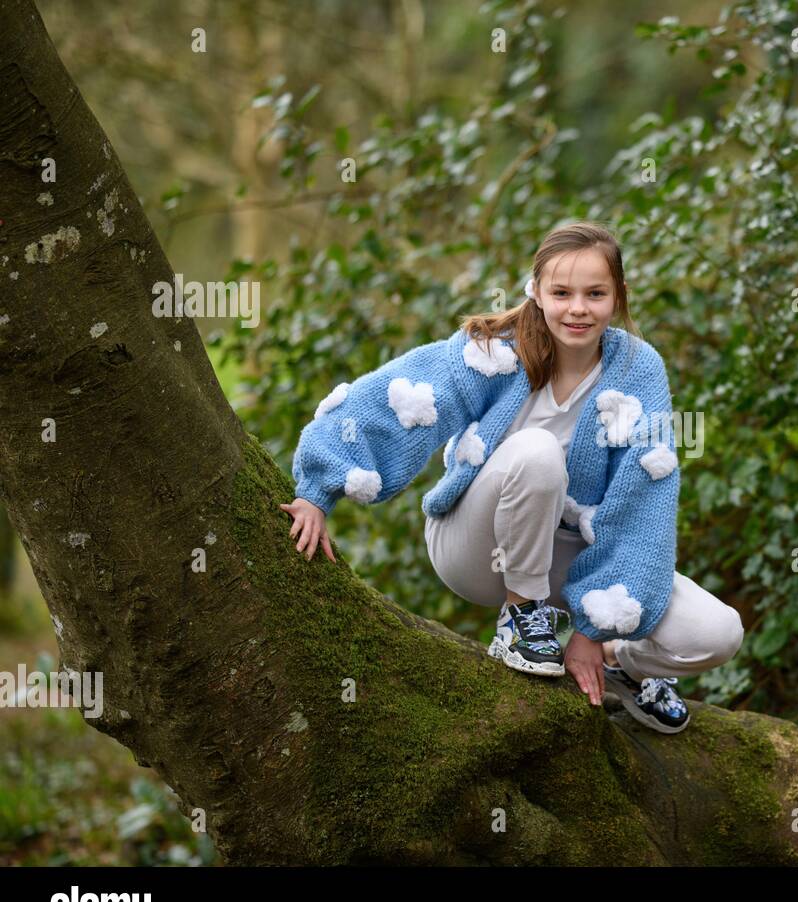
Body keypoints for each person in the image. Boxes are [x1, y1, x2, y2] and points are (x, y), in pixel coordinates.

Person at [280, 220, 744, 734]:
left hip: (565, 552)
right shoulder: (495, 350)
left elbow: (643, 503)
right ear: (537, 293)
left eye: (595, 293)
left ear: (619, 297)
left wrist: (593, 631)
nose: (578, 308)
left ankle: (620, 664)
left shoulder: (639, 370)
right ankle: (520, 617)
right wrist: (317, 491)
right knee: (538, 452)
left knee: (716, 632)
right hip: (475, 546)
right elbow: (397, 398)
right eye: (562, 292)